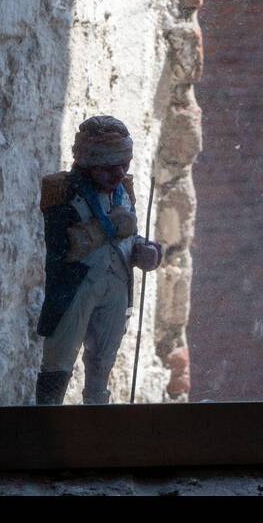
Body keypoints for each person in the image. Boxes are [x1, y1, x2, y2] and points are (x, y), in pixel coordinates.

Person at [34, 115, 162, 404]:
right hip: (77, 287)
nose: (118, 174)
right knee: (59, 360)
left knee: (103, 361)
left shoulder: (123, 191)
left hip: (115, 286)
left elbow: (129, 236)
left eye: (123, 165)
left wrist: (147, 251)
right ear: (89, 162)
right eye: (108, 167)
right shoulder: (63, 191)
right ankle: (46, 417)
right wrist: (108, 228)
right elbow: (61, 247)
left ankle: (97, 413)